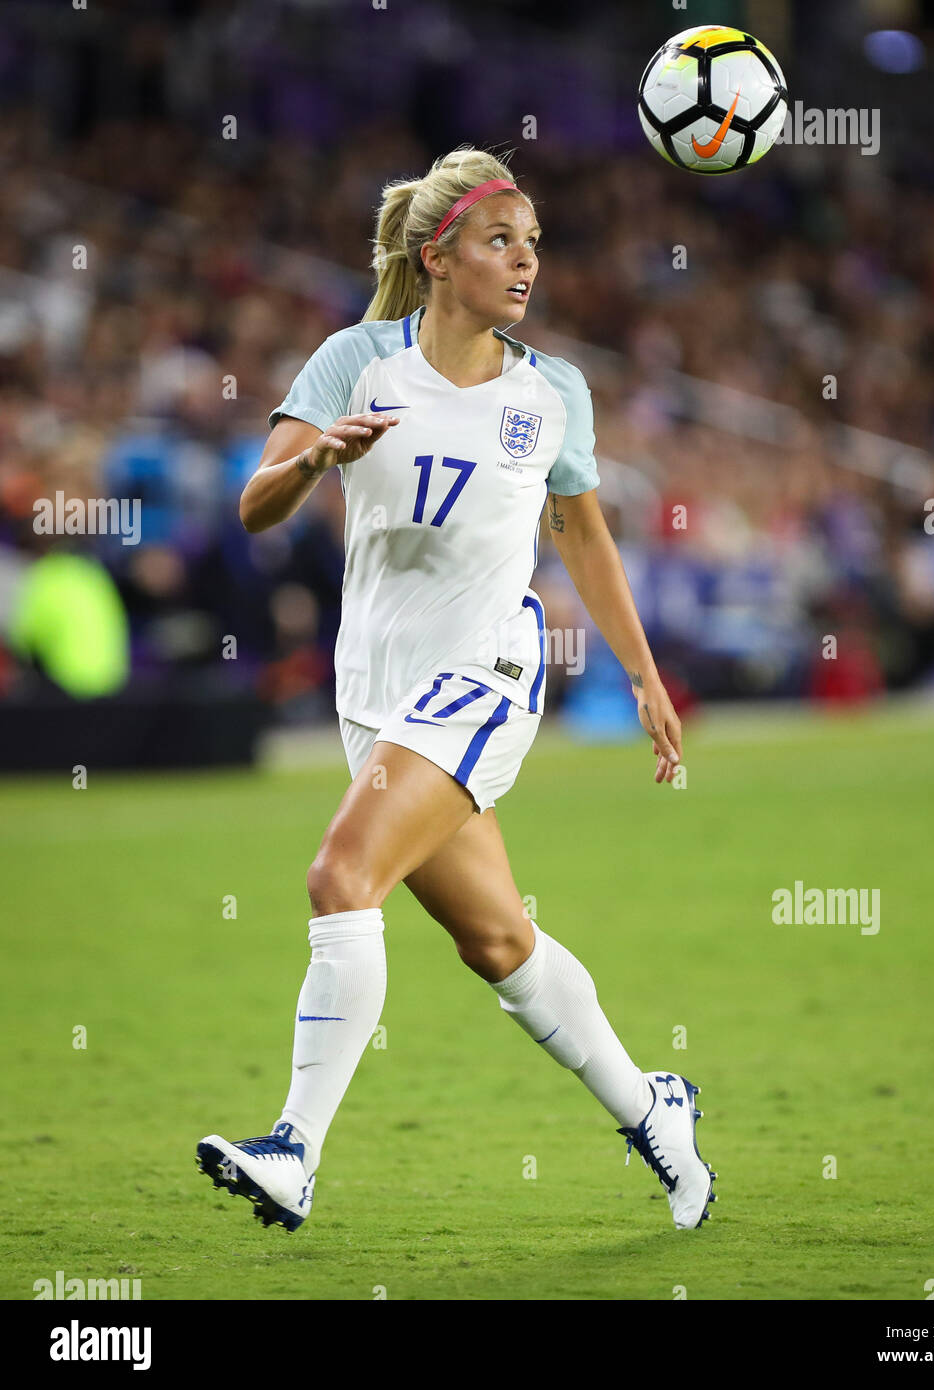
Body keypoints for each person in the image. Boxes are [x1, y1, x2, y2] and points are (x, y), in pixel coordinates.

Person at [196, 146, 716, 1232]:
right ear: (439, 258)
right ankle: (654, 1107)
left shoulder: (551, 391)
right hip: (373, 690)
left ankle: (293, 1148)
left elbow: (583, 536)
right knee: (498, 943)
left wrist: (642, 673)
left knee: (342, 876)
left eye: (533, 243)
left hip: (486, 672)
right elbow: (254, 507)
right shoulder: (354, 361)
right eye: (500, 240)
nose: (526, 260)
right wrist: (313, 460)